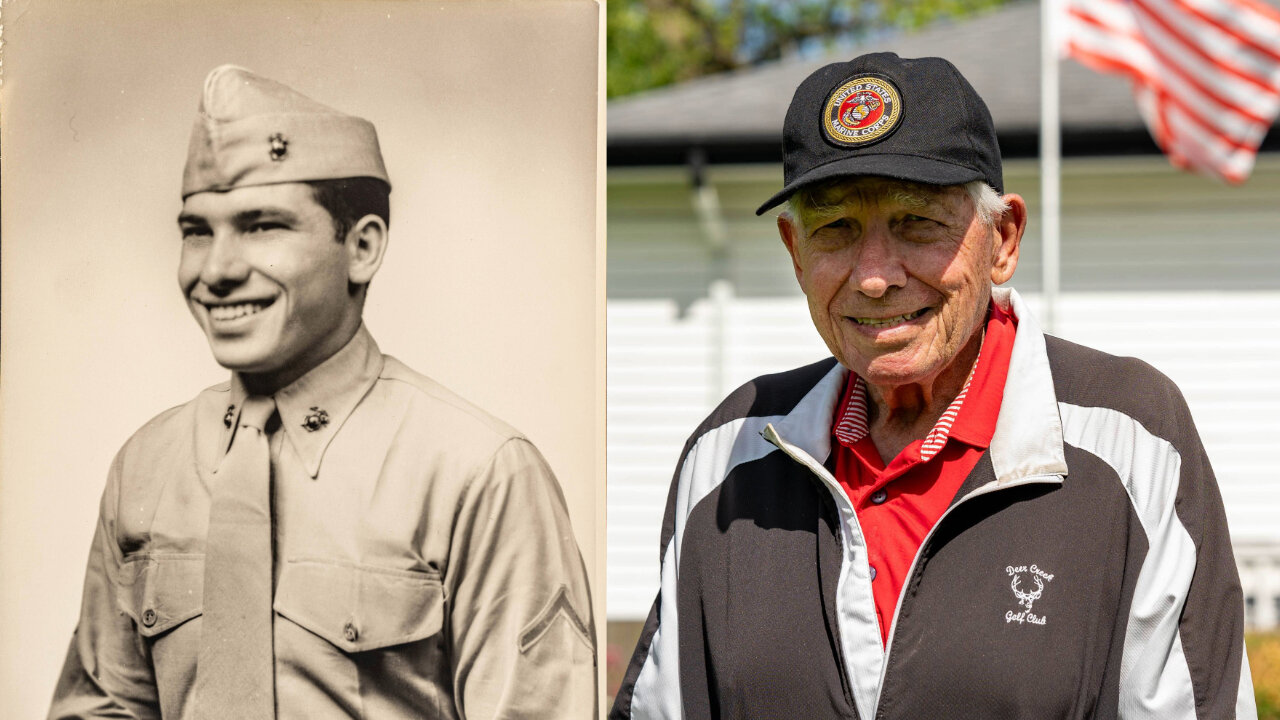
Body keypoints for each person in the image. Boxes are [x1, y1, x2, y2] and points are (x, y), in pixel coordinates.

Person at [611, 52, 1256, 720]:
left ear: (1003, 238)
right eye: (835, 228)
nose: (874, 276)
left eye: (917, 222)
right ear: (795, 253)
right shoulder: (731, 452)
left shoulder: (1128, 436)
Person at [49, 65, 596, 720]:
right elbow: (98, 708)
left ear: (361, 247)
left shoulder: (477, 471)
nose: (217, 270)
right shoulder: (146, 467)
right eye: (197, 231)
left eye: (261, 226)